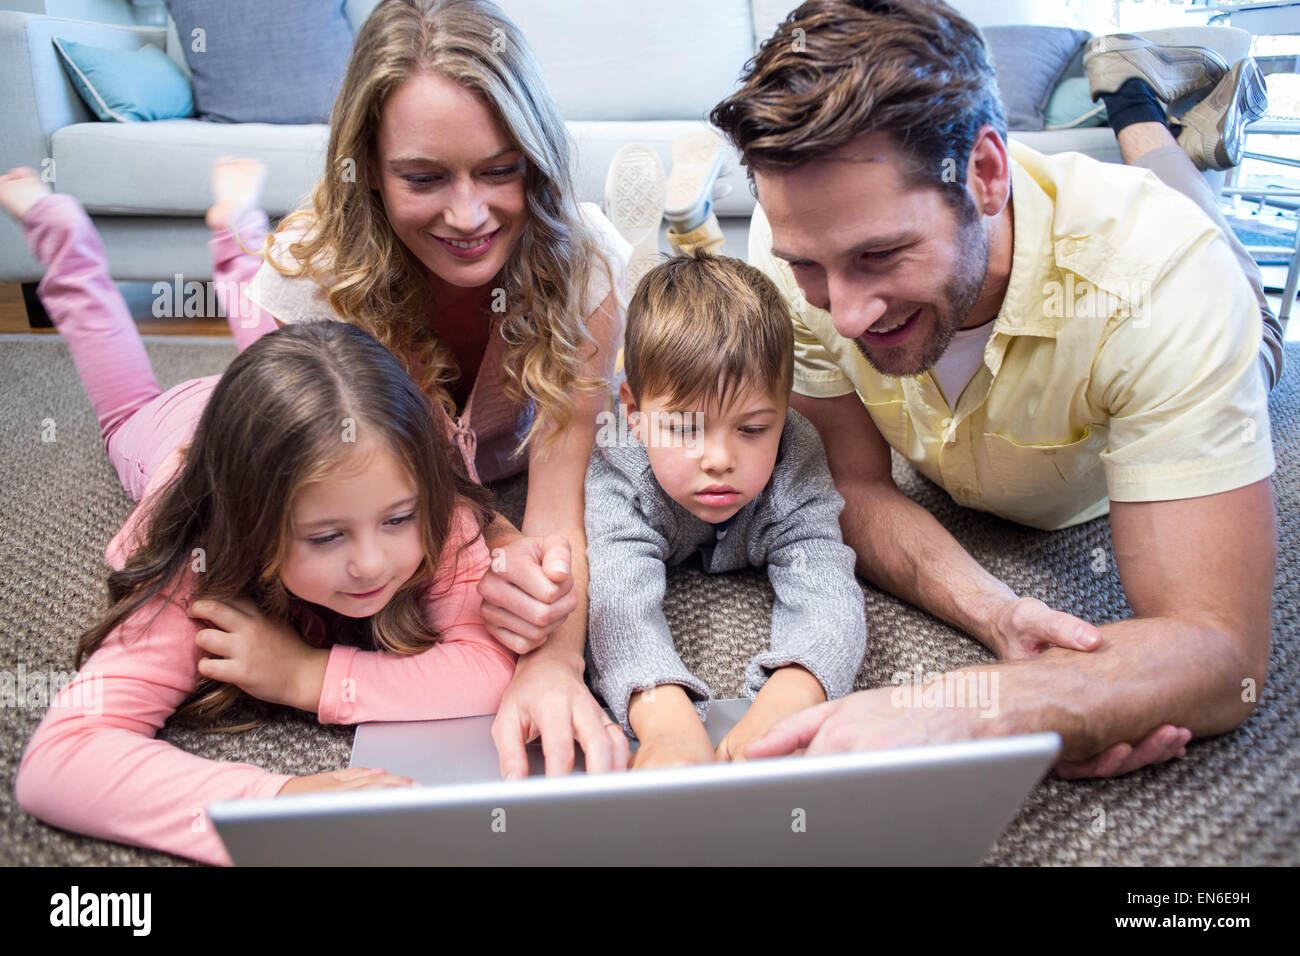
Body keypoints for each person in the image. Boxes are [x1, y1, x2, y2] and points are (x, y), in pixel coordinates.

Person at [707, 0, 1274, 777]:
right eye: (810, 263)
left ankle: (1137, 108)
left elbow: (1222, 650)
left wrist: (987, 709)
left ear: (984, 175)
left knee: (1224, 257)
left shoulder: (1164, 282)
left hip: (1225, 312)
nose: (842, 315)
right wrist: (998, 614)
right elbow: (850, 488)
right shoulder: (794, 274)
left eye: (879, 255)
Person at [3, 167, 515, 865]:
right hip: (179, 434)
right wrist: (276, 803)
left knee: (279, 358)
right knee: (123, 407)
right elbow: (59, 762)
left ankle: (239, 235)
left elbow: (489, 667)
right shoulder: (196, 563)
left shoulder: (430, 505)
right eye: (327, 537)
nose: (372, 563)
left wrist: (305, 675)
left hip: (300, 426)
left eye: (396, 521)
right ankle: (63, 235)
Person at [236, 0, 632, 776]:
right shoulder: (298, 286)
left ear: (536, 160)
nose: (468, 214)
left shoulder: (586, 268)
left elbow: (557, 504)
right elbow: (320, 503)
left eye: (499, 170)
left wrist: (552, 664)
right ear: (370, 174)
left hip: (503, 486)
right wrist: (492, 540)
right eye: (424, 177)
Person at [584, 252, 868, 768]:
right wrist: (664, 721)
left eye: (753, 429)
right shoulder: (617, 463)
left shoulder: (794, 456)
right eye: (686, 428)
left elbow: (827, 586)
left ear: (785, 411)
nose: (719, 460)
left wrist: (792, 695)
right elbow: (614, 598)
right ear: (634, 412)